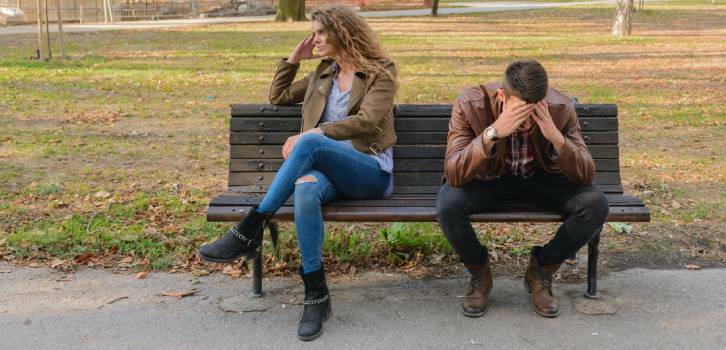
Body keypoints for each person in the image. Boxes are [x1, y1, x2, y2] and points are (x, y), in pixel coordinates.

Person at [198, 5, 397, 341]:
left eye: (320, 33)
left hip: (369, 171)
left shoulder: (381, 71)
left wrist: (314, 134)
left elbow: (367, 122)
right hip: (327, 172)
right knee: (305, 189)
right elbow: (277, 97)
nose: (314, 39)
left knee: (310, 143)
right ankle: (316, 295)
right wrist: (293, 59)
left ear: (341, 32)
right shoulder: (322, 74)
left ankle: (251, 227)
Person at [436, 60, 608, 318]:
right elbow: (454, 174)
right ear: (502, 96)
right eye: (518, 113)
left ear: (543, 101)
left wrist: (553, 135)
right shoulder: (471, 104)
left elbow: (585, 175)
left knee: (595, 205)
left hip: (541, 179)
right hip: (488, 180)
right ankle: (479, 272)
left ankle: (541, 270)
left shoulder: (560, 108)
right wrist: (492, 134)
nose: (525, 123)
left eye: (532, 114)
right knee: (448, 205)